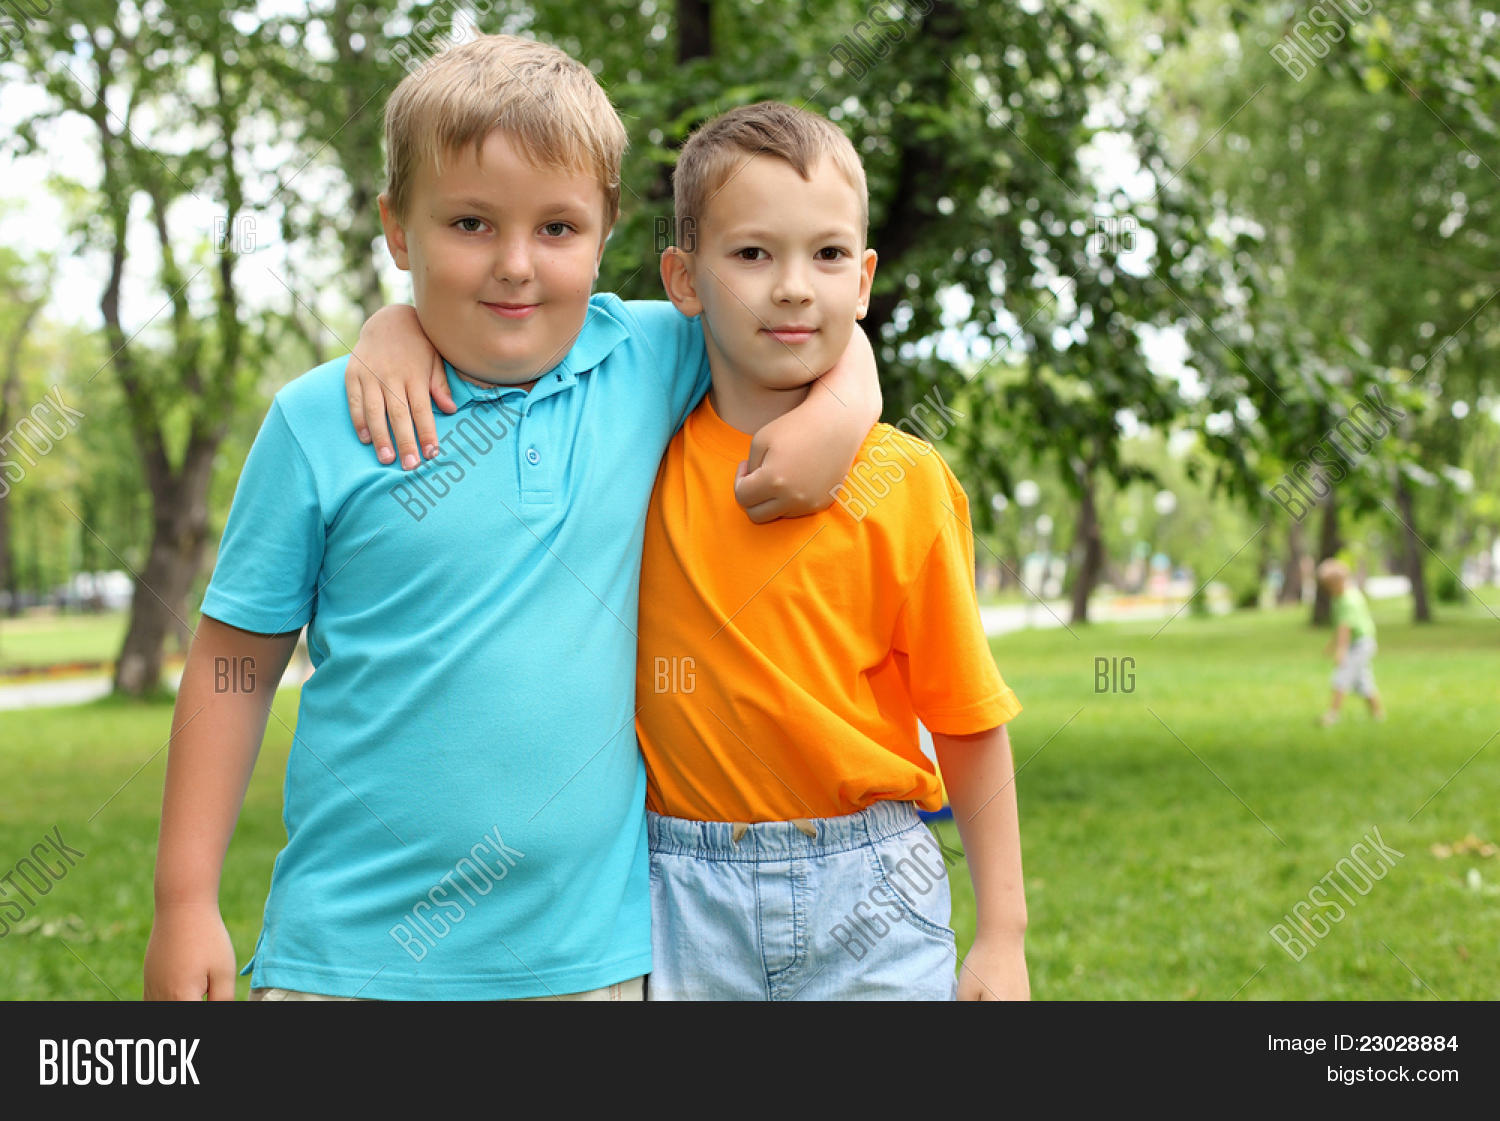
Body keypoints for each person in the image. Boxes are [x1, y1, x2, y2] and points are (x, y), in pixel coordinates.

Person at [143, 35, 879, 1001]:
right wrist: (185, 895)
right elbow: (232, 664)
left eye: (559, 229)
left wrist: (842, 412)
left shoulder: (652, 355)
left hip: (589, 966)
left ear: (608, 232)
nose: (517, 266)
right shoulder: (325, 421)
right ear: (397, 230)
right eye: (471, 225)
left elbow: (807, 328)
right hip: (348, 961)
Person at [631, 102, 1028, 1000]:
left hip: (874, 881)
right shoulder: (639, 459)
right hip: (678, 890)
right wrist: (396, 328)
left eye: (828, 254)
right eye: (752, 254)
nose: (794, 287)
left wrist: (1003, 931)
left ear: (864, 278)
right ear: (684, 279)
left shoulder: (908, 480)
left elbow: (967, 715)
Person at [1315, 558, 1386, 727]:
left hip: (1360, 644)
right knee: (1363, 682)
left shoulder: (1348, 599)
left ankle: (1332, 715)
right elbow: (1340, 626)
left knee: (1341, 677)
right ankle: (1378, 714)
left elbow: (1346, 628)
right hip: (1359, 643)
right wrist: (1332, 644)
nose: (1328, 591)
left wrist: (1340, 650)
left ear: (1339, 582)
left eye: (1329, 586)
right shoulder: (1340, 597)